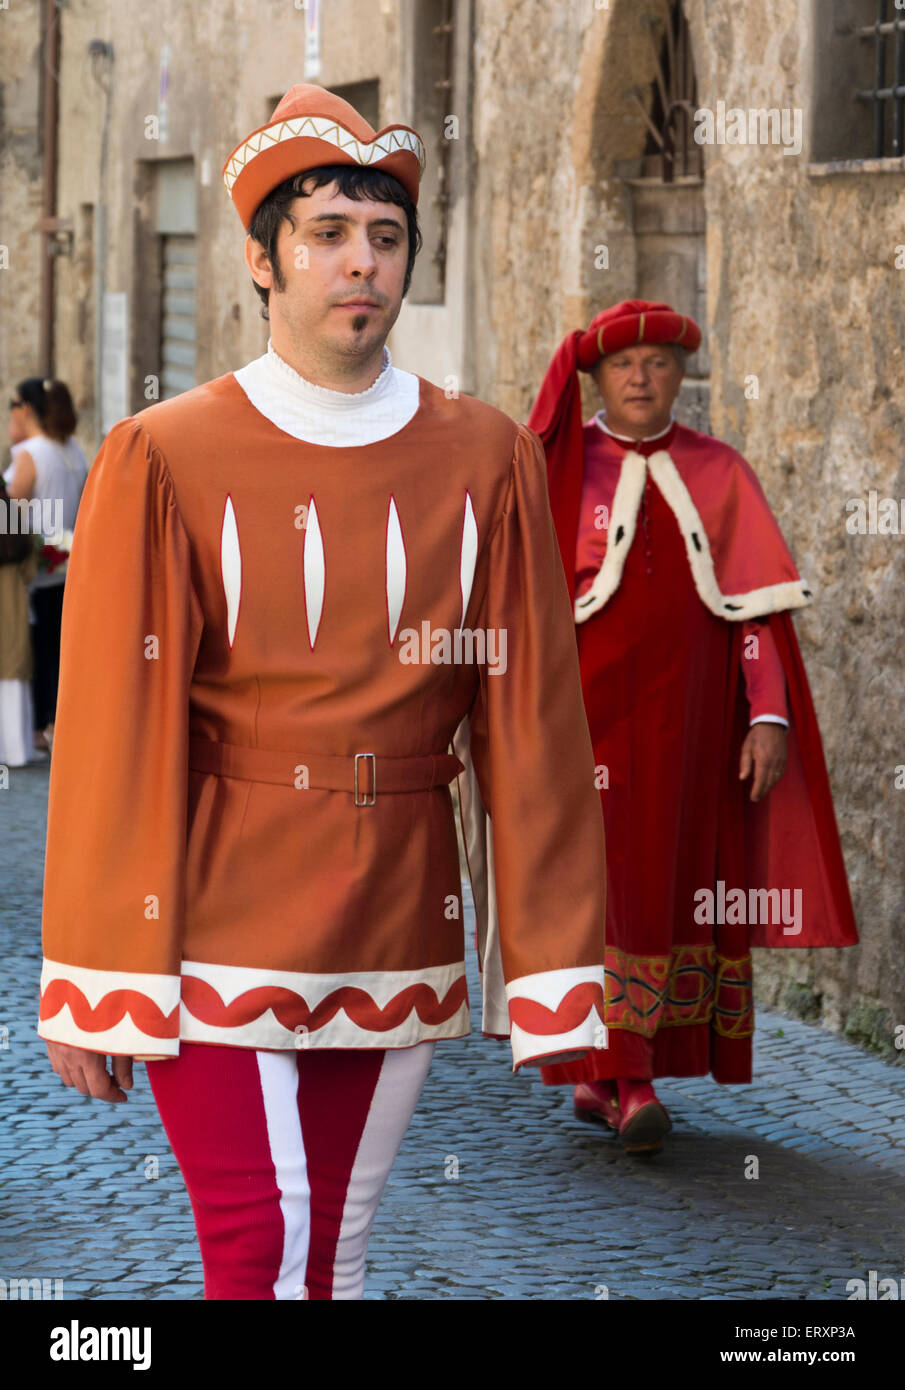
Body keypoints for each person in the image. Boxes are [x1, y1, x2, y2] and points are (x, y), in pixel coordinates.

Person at [37, 84, 608, 1300]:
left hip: (399, 909)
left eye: (385, 237)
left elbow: (532, 724)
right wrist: (98, 969)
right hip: (214, 910)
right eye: (327, 234)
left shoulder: (488, 456)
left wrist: (553, 967)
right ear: (259, 259)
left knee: (329, 1252)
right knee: (267, 1246)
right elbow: (108, 732)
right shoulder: (161, 455)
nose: (362, 263)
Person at [527, 299, 858, 1155]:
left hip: (692, 727)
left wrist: (769, 716)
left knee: (671, 882)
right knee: (593, 886)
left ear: (682, 376)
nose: (642, 377)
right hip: (584, 726)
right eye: (624, 364)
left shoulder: (720, 471)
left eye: (660, 363)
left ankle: (617, 1076)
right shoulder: (559, 471)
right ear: (597, 377)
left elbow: (753, 612)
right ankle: (614, 1076)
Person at [3, 378, 88, 753]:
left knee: (29, 647)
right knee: (56, 646)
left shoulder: (31, 453)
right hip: (66, 561)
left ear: (26, 409)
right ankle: (51, 724)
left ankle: (33, 727)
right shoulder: (73, 450)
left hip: (33, 567)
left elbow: (11, 510)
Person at [0, 469, 38, 767]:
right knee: (14, 681)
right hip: (13, 609)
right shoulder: (15, 521)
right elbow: (29, 572)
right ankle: (18, 750)